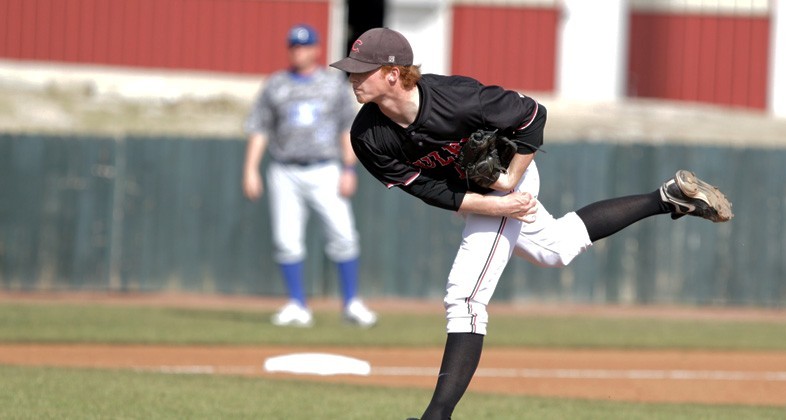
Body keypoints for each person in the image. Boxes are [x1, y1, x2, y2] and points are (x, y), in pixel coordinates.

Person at [330, 27, 733, 419]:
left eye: (361, 70)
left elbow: (533, 115)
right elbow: (423, 189)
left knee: (466, 298)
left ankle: (437, 415)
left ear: (393, 74)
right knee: (555, 248)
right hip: (479, 197)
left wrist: (510, 184)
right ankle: (667, 198)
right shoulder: (367, 135)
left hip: (509, 179)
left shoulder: (457, 99)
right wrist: (489, 207)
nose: (352, 77)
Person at [242, 24, 377, 328]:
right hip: (285, 170)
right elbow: (259, 128)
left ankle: (352, 303)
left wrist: (349, 168)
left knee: (343, 236)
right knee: (287, 241)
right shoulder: (275, 85)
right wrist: (251, 169)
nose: (298, 51)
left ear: (316, 49)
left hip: (325, 168)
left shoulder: (332, 85)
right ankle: (297, 304)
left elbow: (348, 129)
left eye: (304, 46)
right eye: (293, 46)